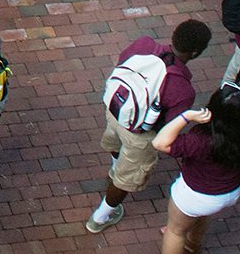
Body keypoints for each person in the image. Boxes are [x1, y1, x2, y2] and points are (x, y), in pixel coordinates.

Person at [85, 19, 211, 234]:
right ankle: (101, 216)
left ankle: (115, 165)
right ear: (196, 52)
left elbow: (121, 63)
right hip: (140, 134)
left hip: (115, 110)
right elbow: (168, 128)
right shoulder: (182, 89)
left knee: (115, 144)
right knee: (126, 179)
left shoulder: (143, 45)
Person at [143, 86, 240, 254]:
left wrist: (186, 116)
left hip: (195, 195)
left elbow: (160, 142)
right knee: (202, 215)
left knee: (175, 230)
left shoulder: (202, 141)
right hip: (230, 192)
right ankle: (193, 244)